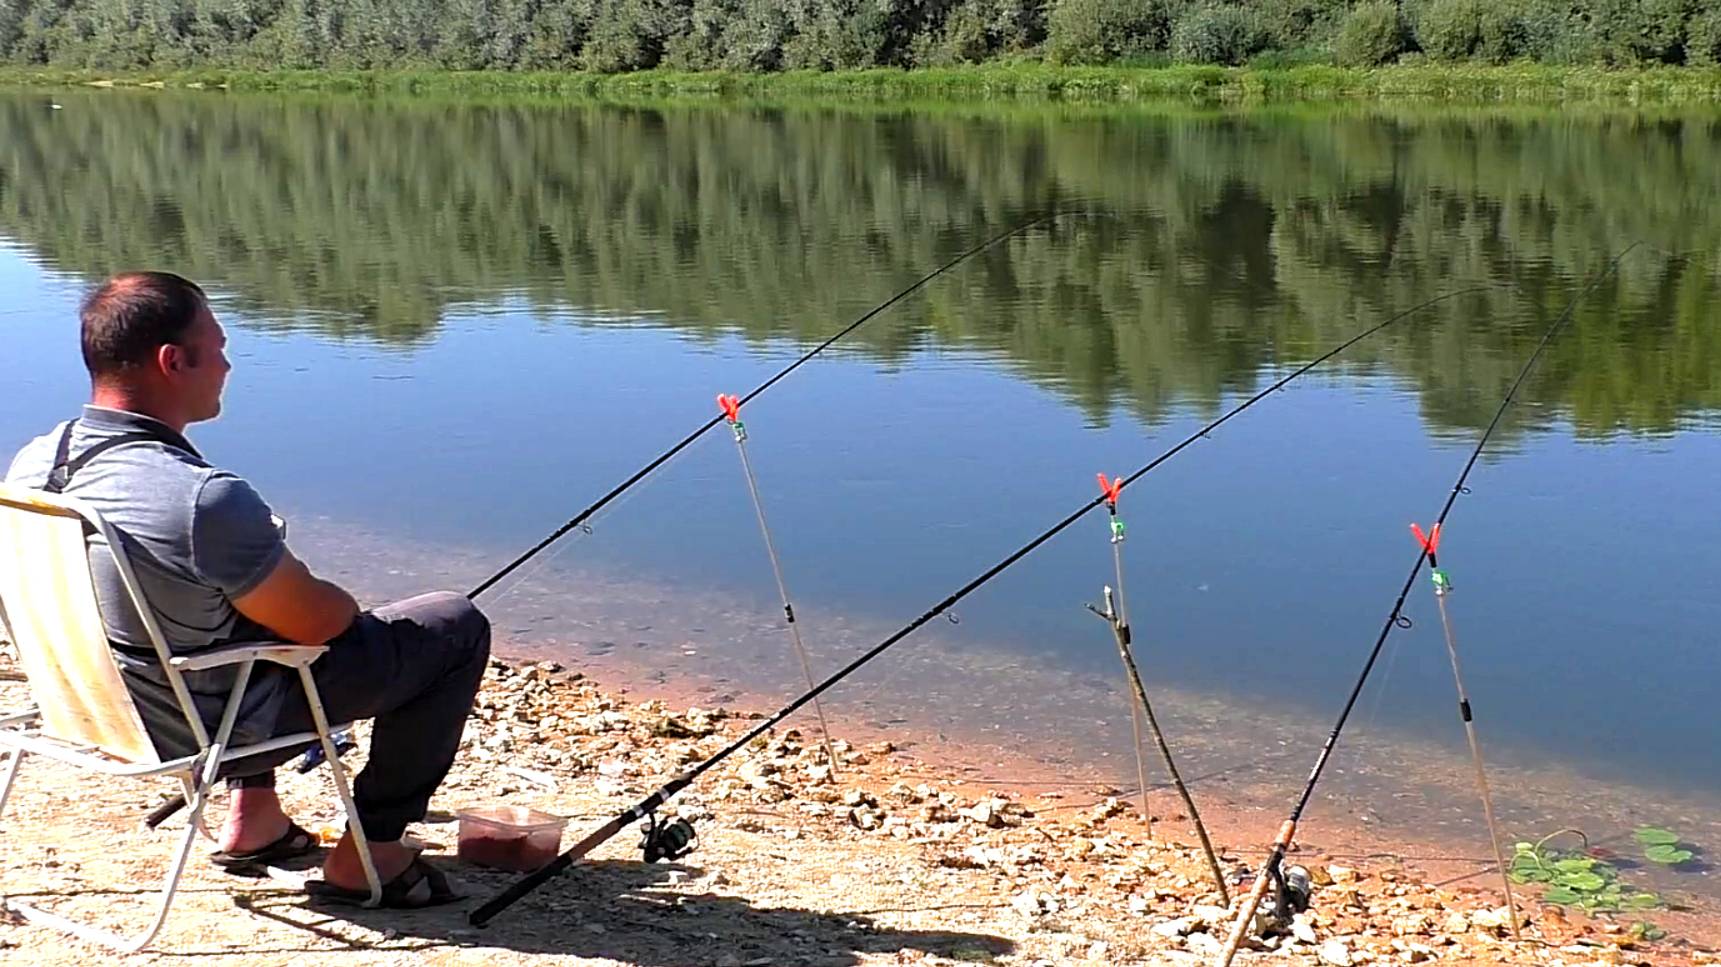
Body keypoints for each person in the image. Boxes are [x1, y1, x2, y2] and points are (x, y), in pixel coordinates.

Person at [4, 272, 488, 908]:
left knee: (221, 613)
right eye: (219, 347)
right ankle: (371, 853)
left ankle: (254, 818)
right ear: (173, 361)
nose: (228, 366)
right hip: (193, 724)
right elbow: (321, 624)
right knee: (452, 624)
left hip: (90, 703)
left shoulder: (37, 463)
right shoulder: (201, 498)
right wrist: (338, 598)